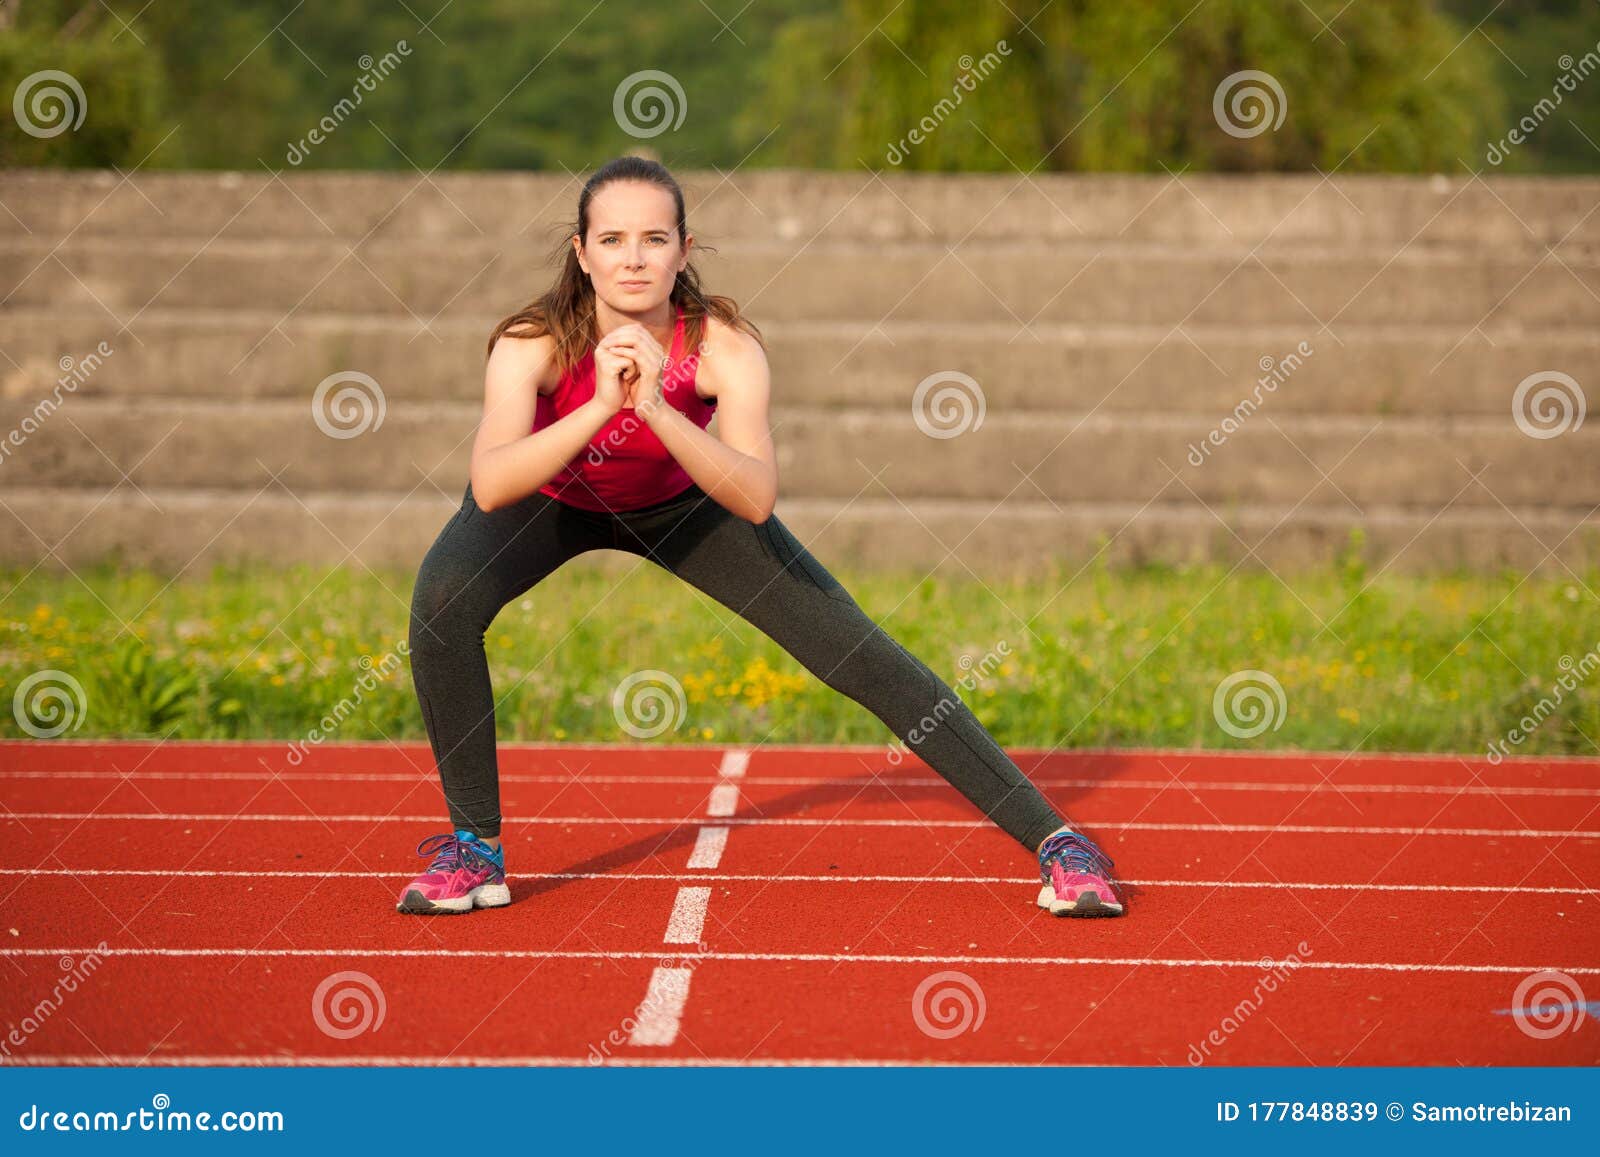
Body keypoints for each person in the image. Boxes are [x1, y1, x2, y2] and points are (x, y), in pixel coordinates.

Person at [398, 155, 1125, 919]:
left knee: (859, 650)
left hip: (684, 504)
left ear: (684, 249)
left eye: (654, 238)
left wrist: (654, 411)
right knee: (441, 598)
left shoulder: (725, 347)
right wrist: (597, 410)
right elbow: (490, 484)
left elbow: (753, 496)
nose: (634, 258)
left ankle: (1060, 844)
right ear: (582, 253)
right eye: (612, 239)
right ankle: (474, 851)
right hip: (552, 499)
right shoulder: (532, 341)